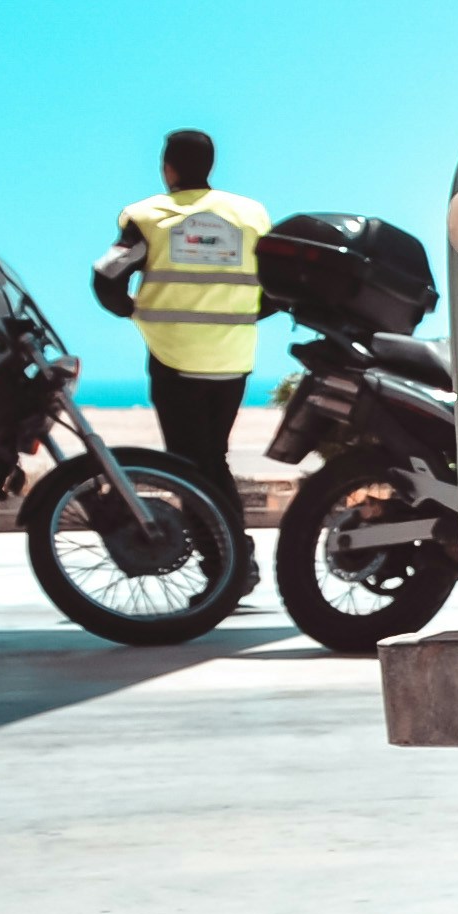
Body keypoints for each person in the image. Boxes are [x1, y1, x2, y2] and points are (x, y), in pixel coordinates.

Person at [106, 130, 269, 595]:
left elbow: (106, 277)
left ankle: (228, 569)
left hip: (172, 355)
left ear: (168, 166)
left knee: (189, 469)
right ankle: (234, 564)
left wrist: (131, 309)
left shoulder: (148, 216)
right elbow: (277, 283)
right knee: (211, 460)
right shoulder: (250, 214)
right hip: (233, 358)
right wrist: (244, 313)